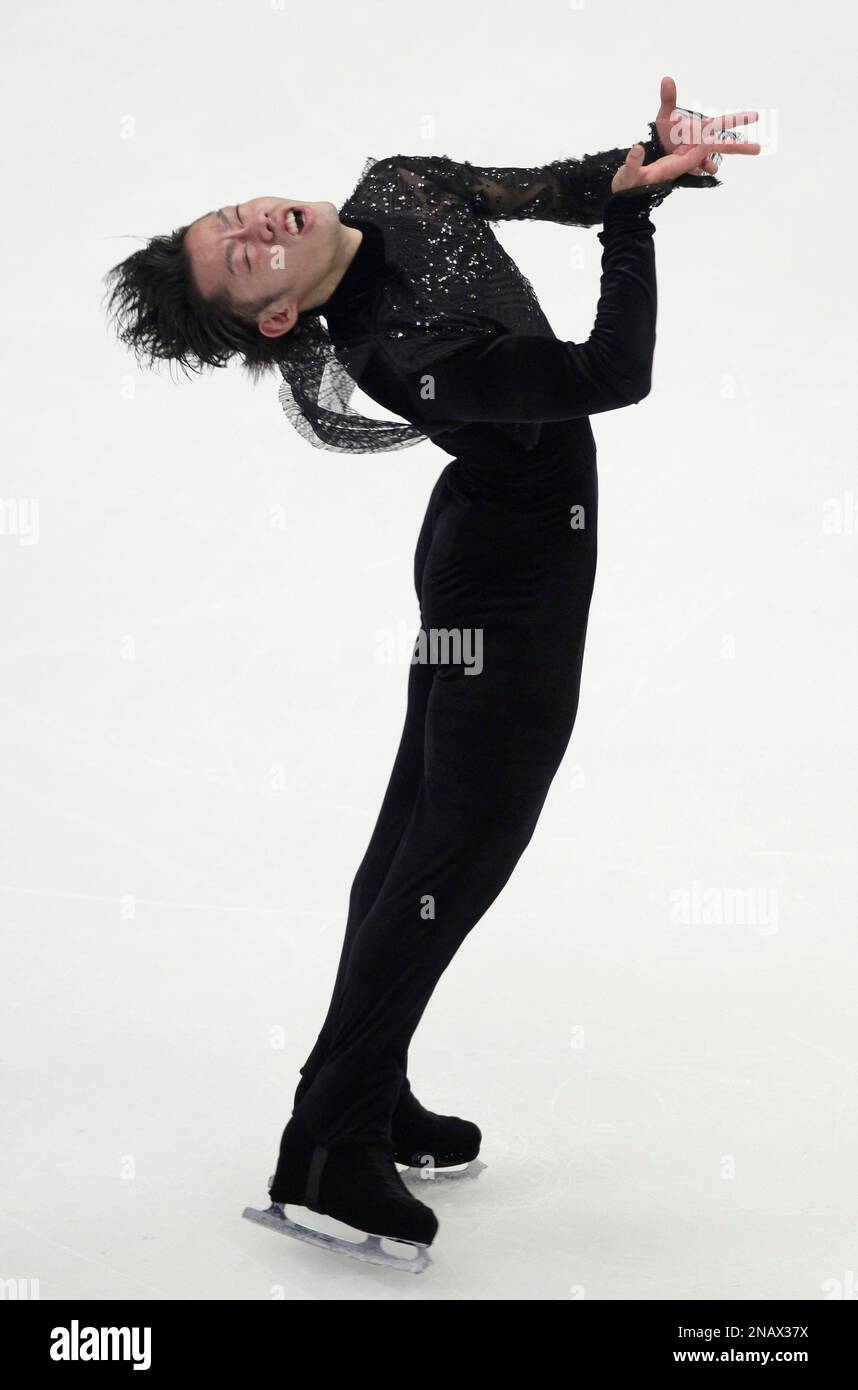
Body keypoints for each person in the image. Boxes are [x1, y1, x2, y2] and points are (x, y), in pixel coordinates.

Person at [105, 77, 759, 1271]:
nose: (258, 228)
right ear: (273, 319)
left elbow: (536, 190)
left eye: (232, 217)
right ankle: (326, 1148)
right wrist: (633, 225)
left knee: (417, 832)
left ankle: (367, 1085)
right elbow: (612, 373)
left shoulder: (396, 184)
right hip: (505, 601)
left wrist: (635, 165)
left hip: (480, 552)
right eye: (243, 262)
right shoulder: (405, 352)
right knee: (451, 860)